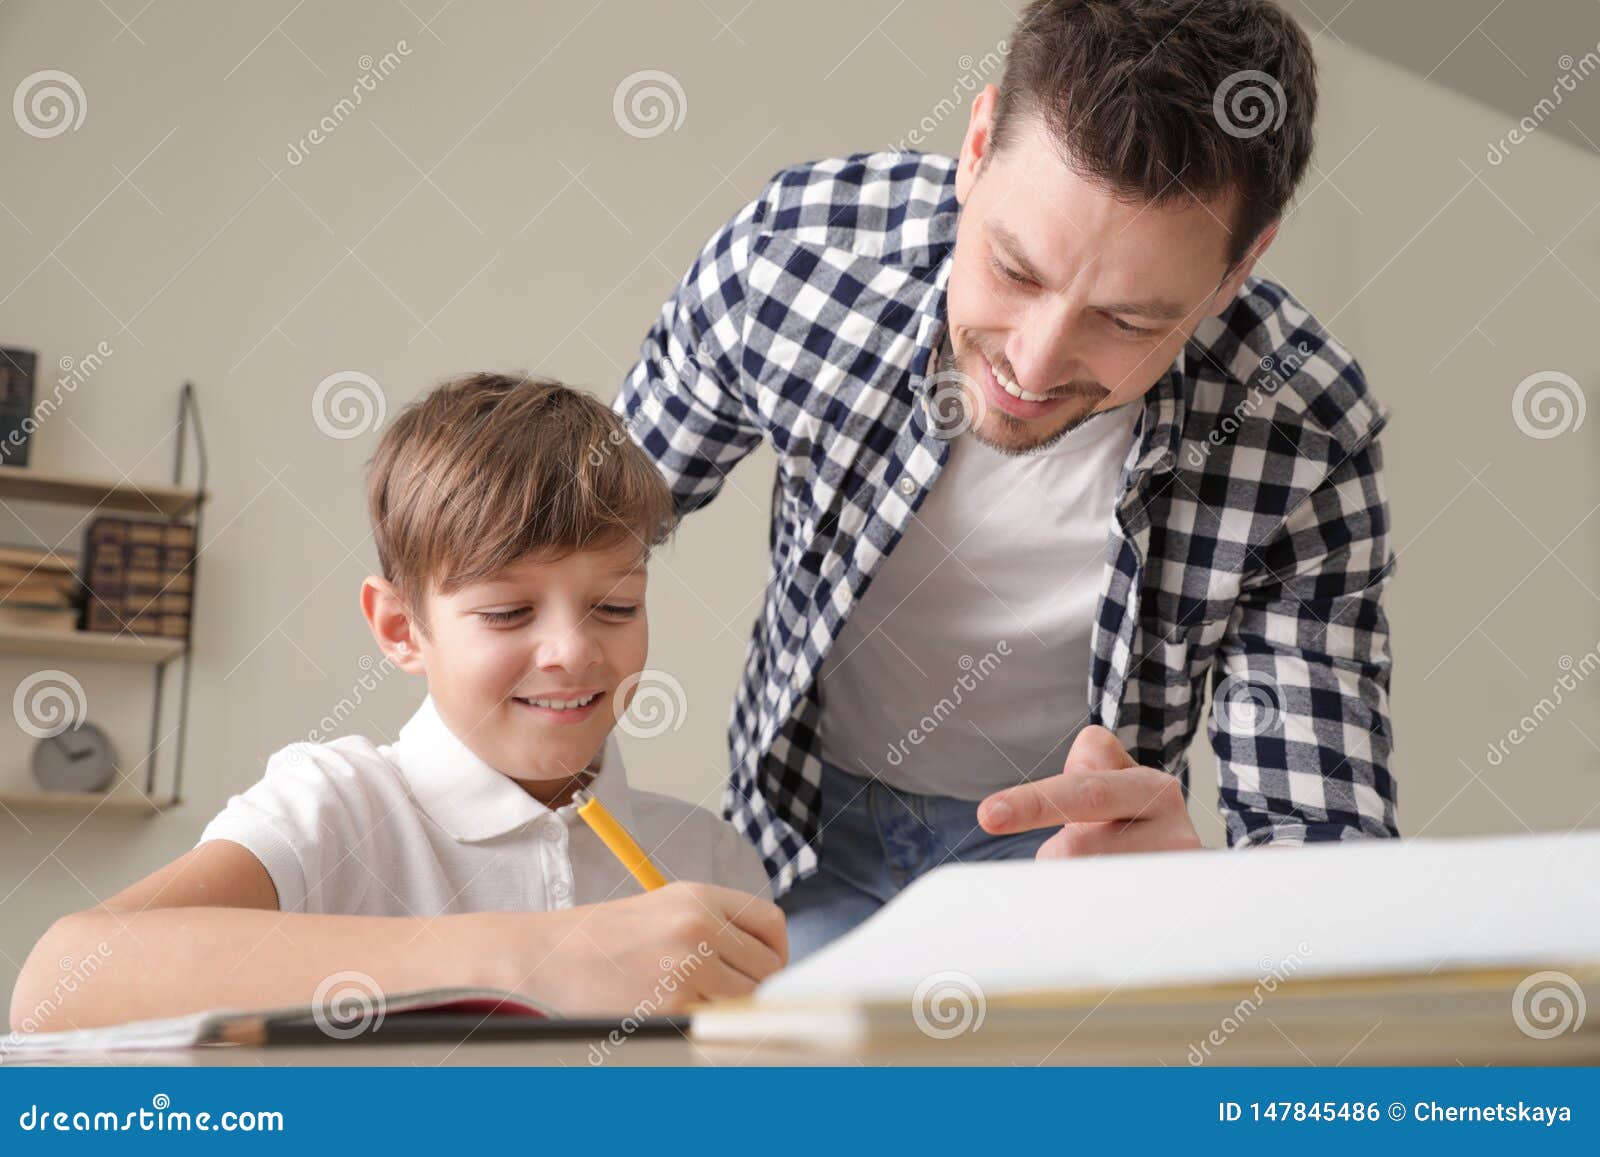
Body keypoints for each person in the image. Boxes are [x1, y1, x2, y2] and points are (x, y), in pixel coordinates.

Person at [617, 0, 1398, 960]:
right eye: (1014, 270)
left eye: (1129, 322)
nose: (1032, 364)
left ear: (1240, 267)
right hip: (802, 842)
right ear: (977, 145)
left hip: (1074, 882)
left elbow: (1324, 862)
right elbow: (576, 530)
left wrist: (1207, 902)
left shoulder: (1304, 432)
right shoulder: (796, 259)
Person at [10, 373, 786, 1032]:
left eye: (616, 607)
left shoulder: (709, 858)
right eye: (508, 612)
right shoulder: (335, 809)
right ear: (399, 627)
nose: (574, 651)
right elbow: (57, 986)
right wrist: (539, 958)